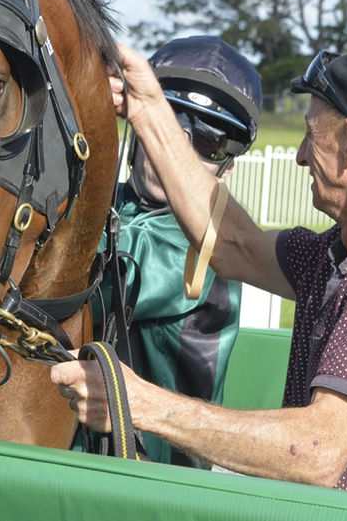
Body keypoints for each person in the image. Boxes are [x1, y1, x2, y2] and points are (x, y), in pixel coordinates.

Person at [51, 46, 347, 510]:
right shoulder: (341, 253)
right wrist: (148, 109)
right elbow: (234, 246)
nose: (300, 156)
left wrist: (142, 405)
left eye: (312, 135)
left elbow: (317, 452)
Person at [97, 35, 263, 468]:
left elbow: (102, 274)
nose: (178, 149)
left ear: (228, 162)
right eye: (168, 122)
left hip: (156, 485)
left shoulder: (205, 241)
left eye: (207, 141)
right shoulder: (101, 199)